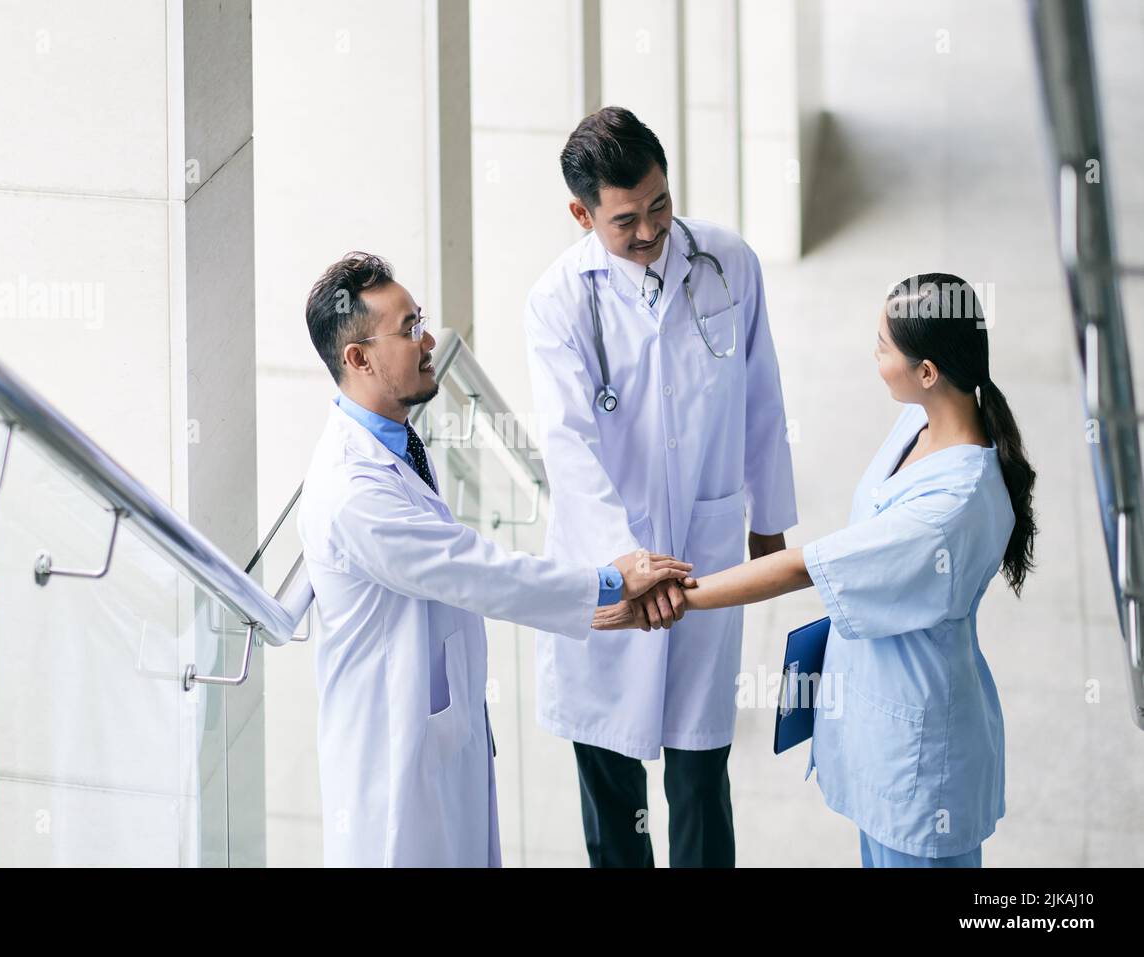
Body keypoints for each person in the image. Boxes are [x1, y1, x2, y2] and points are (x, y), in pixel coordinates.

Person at [595, 274, 1038, 867]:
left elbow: (808, 565)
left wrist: (674, 599)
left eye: (884, 345)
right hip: (884, 723)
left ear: (927, 371)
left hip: (921, 758)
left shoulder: (950, 509)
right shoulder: (922, 423)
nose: (874, 353)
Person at [296, 252, 694, 867]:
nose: (428, 340)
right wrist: (610, 584)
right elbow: (472, 570)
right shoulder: (354, 491)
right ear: (358, 358)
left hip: (436, 734)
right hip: (392, 760)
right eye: (408, 329)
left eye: (419, 319)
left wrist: (596, 604)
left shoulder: (394, 439)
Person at [524, 106, 798, 867]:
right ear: (582, 213)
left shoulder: (727, 263)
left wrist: (767, 531)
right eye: (624, 221)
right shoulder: (558, 302)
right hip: (606, 566)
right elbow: (569, 446)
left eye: (659, 206)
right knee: (612, 787)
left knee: (701, 774)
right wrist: (627, 562)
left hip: (706, 551)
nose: (649, 232)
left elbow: (763, 399)